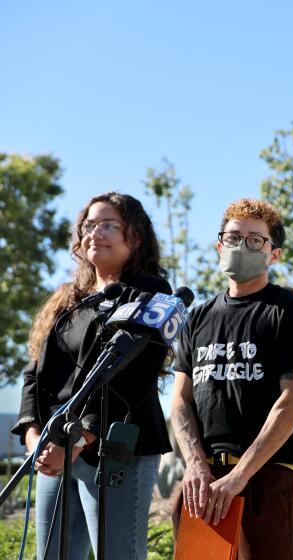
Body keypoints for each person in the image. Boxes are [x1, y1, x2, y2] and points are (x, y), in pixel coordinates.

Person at [12, 192, 172, 560]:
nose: (95, 233)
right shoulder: (68, 299)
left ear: (136, 236)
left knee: (118, 554)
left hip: (118, 447)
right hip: (55, 446)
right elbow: (35, 372)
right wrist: (34, 434)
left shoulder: (152, 293)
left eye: (109, 225)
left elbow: (137, 376)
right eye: (89, 225)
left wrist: (81, 438)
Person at [170, 198, 293, 560]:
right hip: (202, 485)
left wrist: (240, 476)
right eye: (233, 237)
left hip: (268, 478)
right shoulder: (197, 317)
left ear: (274, 254)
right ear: (219, 245)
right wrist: (195, 464)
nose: (242, 245)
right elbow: (180, 400)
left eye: (256, 240)